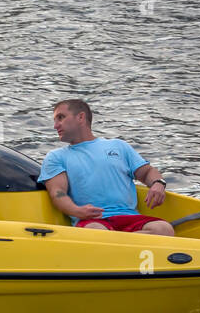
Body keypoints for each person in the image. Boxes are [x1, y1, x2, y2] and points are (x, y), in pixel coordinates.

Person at [39, 99, 174, 235]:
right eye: (55, 120)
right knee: (98, 233)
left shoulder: (119, 146)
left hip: (129, 217)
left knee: (164, 229)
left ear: (80, 117)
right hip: (93, 221)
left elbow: (147, 172)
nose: (55, 126)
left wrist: (158, 183)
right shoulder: (56, 157)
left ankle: (120, 244)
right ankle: (130, 244)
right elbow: (57, 193)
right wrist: (77, 211)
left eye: (60, 118)